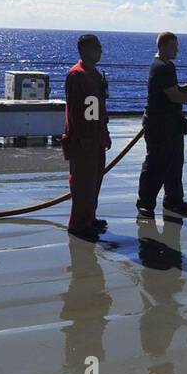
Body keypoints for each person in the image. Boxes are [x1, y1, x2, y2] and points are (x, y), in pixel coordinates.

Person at [136, 31, 187, 219]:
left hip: (170, 122)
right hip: (160, 124)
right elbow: (173, 96)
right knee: (156, 164)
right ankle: (146, 203)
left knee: (175, 163)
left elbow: (173, 90)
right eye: (175, 46)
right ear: (164, 46)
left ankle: (173, 200)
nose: (177, 50)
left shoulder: (167, 66)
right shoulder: (161, 67)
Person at [63, 34, 110, 240]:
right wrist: (82, 137)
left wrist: (104, 132)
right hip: (83, 140)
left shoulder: (95, 75)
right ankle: (78, 224)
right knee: (82, 183)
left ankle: (90, 218)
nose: (100, 51)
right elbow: (74, 111)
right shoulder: (77, 75)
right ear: (84, 50)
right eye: (96, 47)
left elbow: (99, 108)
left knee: (95, 181)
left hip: (97, 137)